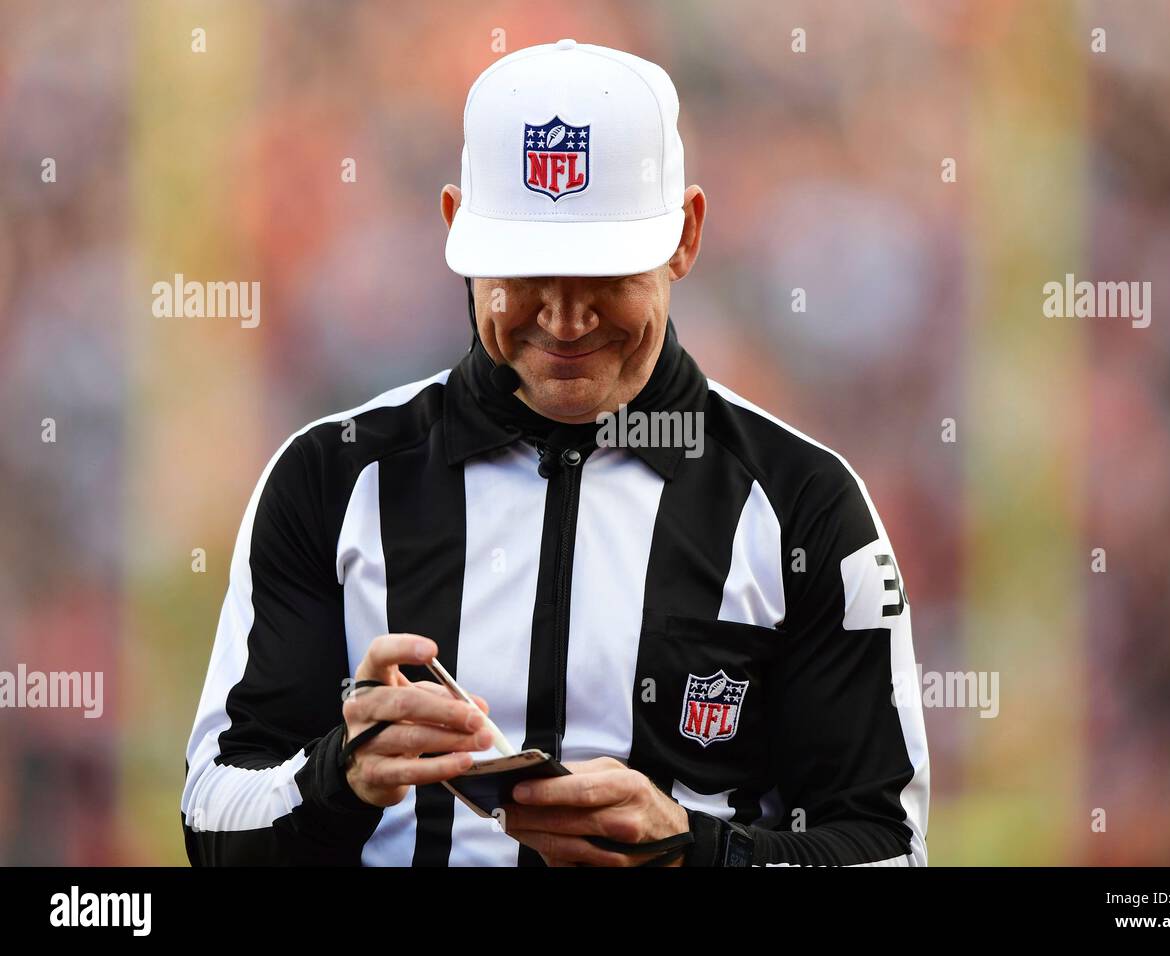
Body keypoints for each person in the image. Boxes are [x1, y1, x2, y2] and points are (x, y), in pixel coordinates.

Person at [182, 38, 929, 867]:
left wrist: (690, 852)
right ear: (455, 229)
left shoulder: (803, 502)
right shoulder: (330, 478)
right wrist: (339, 775)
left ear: (685, 236)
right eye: (528, 271)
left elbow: (887, 850)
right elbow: (212, 825)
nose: (565, 319)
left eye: (605, 273)